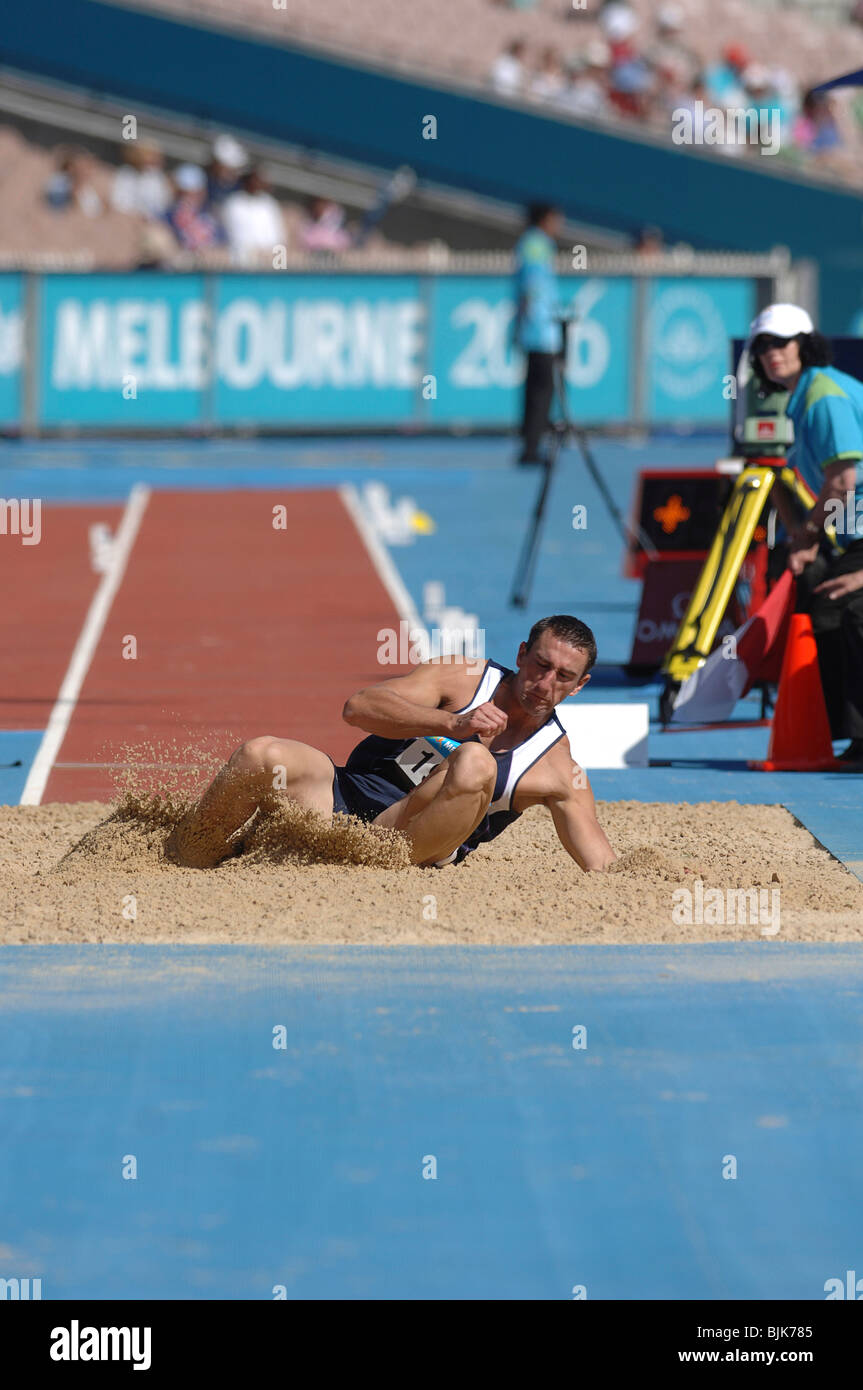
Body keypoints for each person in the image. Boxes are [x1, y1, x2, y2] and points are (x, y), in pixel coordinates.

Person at [167, 616, 616, 872]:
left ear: (579, 686)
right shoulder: (460, 679)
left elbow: (603, 868)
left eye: (563, 677)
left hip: (401, 844)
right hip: (338, 804)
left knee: (477, 762)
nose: (545, 682)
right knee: (260, 753)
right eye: (540, 665)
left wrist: (664, 874)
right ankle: (186, 855)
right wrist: (452, 722)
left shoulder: (557, 769)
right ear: (521, 654)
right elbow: (359, 707)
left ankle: (369, 868)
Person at [748, 302, 863, 766]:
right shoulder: (806, 395)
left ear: (805, 345)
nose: (772, 353)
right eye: (763, 346)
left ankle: (854, 735)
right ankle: (841, 730)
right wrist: (802, 534)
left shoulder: (824, 396)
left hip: (854, 532)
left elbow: (842, 482)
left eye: (782, 342)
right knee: (818, 594)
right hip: (851, 532)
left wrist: (808, 535)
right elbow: (800, 480)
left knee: (845, 605)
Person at [513, 203, 563, 466]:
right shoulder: (535, 244)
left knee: (537, 389)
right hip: (540, 331)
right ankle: (532, 447)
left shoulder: (535, 243)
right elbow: (531, 286)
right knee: (541, 391)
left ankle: (532, 444)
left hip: (538, 329)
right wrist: (528, 320)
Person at [221, 166, 285, 266]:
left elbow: (277, 237)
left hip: (268, 257)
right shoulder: (234, 203)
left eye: (259, 180)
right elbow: (233, 235)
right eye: (254, 180)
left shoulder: (270, 204)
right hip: (241, 258)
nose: (256, 183)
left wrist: (276, 261)